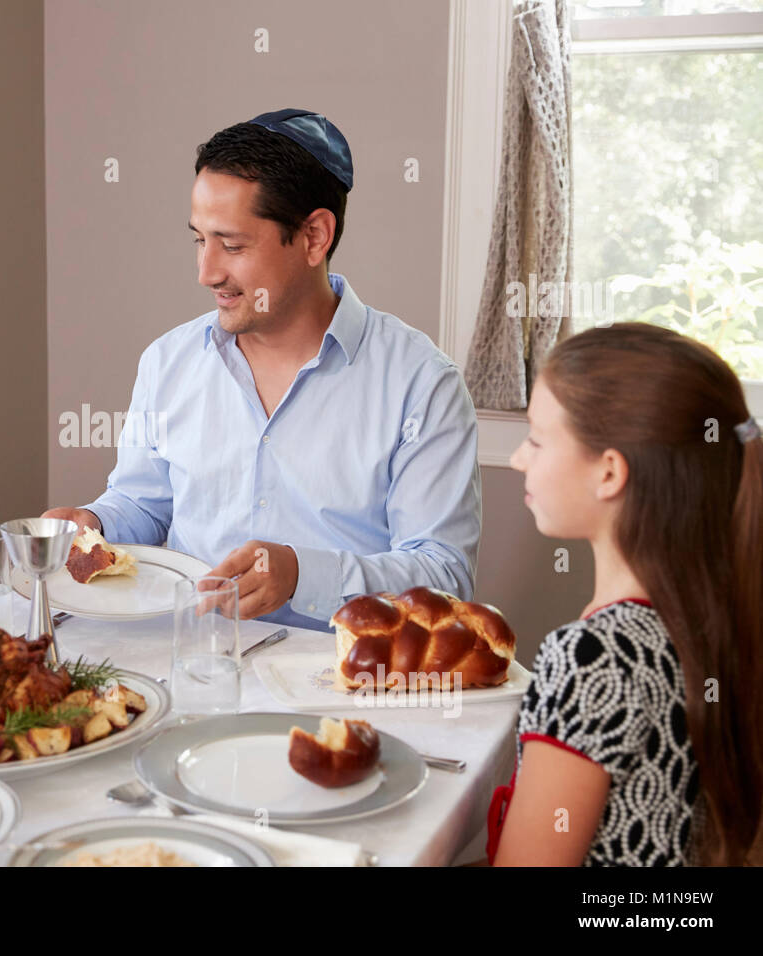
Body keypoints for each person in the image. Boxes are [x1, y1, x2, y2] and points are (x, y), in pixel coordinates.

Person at [45, 109, 481, 629]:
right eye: (199, 240)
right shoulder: (167, 361)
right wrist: (95, 522)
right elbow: (144, 503)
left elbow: (444, 577)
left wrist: (303, 576)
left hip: (338, 686)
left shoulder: (422, 385)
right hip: (189, 665)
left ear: (315, 237)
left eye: (232, 245)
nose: (207, 272)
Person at [487, 323, 762, 866]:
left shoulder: (593, 658)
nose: (519, 458)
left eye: (538, 440)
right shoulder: (705, 617)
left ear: (610, 471)